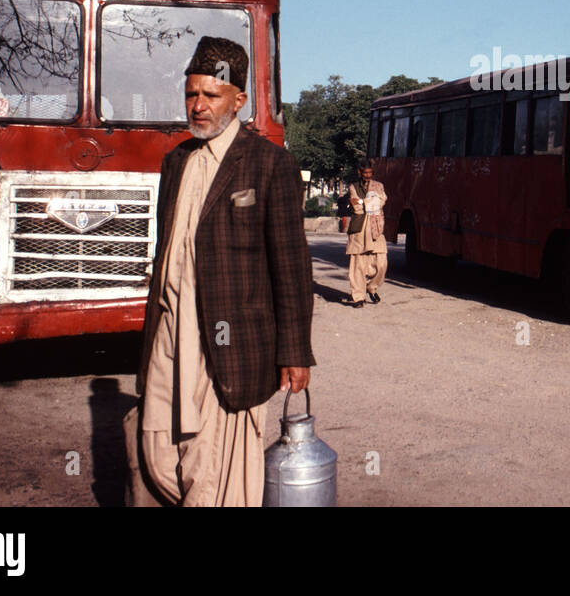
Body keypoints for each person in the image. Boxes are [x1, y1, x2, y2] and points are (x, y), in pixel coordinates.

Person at [127, 36, 314, 506]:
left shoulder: (270, 164)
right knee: (156, 450)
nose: (198, 106)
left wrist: (294, 351)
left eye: (211, 96)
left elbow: (291, 266)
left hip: (230, 345)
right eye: (191, 94)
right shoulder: (177, 162)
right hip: (171, 336)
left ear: (239, 100)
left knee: (215, 475)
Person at [344, 162, 387, 307]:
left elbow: (380, 202)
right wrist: (368, 203)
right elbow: (357, 209)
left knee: (381, 264)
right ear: (360, 172)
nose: (368, 176)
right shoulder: (353, 187)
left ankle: (371, 287)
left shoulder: (379, 186)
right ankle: (358, 297)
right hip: (360, 230)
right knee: (358, 265)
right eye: (365, 173)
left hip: (376, 228)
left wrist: (362, 201)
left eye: (370, 173)